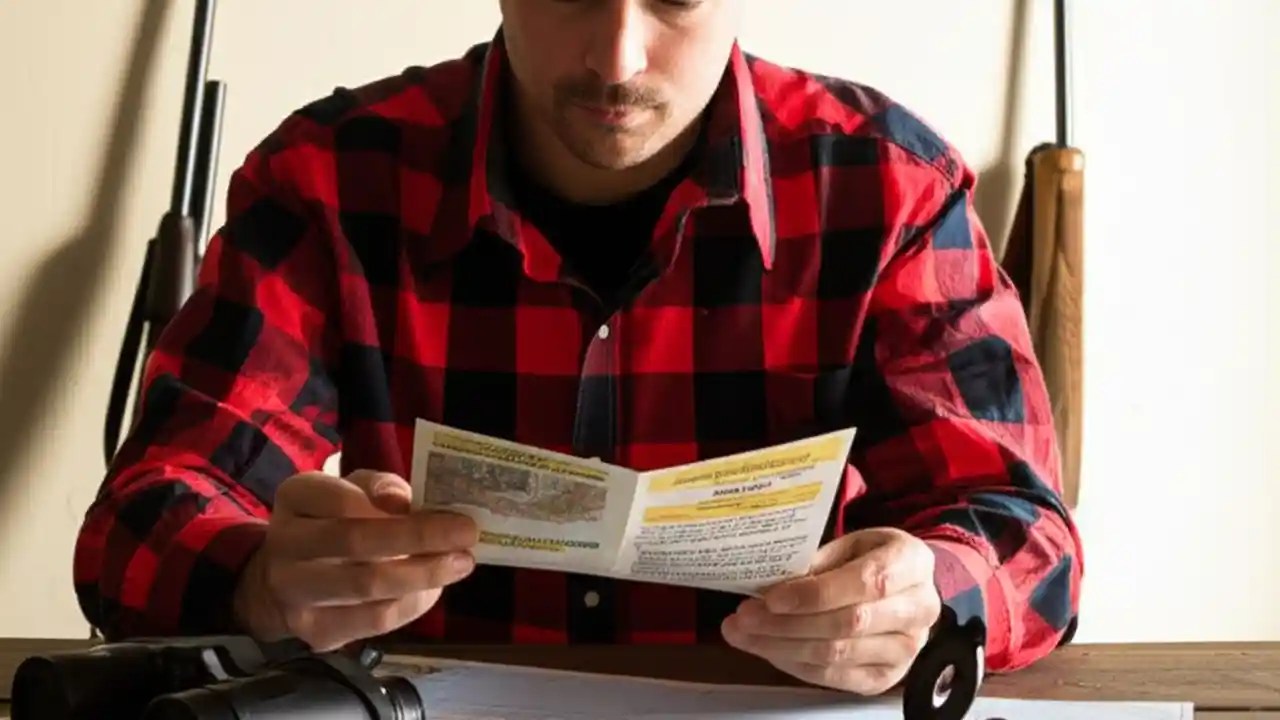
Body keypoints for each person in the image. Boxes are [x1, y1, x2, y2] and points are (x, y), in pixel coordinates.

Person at [73, 0, 1083, 697]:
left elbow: (1026, 540)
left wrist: (925, 595)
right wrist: (260, 577)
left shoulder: (887, 187)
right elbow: (140, 520)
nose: (615, 59)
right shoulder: (330, 180)